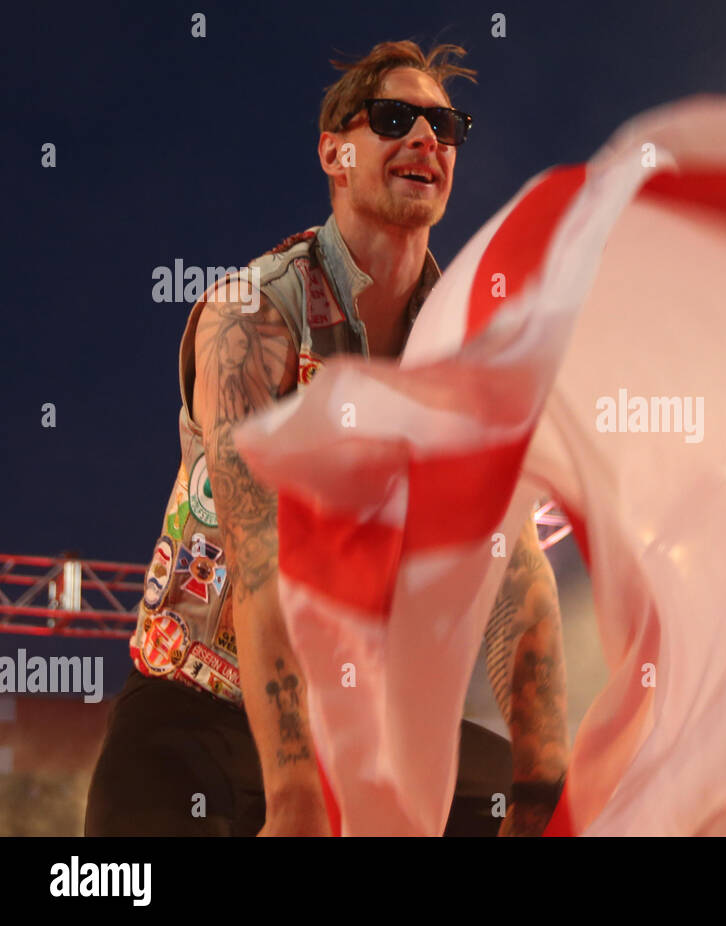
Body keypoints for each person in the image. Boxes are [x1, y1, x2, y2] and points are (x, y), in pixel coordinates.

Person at [86, 40, 569, 837]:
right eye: (394, 118)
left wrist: (544, 789)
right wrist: (297, 797)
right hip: (197, 711)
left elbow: (516, 582)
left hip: (356, 722)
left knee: (537, 808)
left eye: (445, 126)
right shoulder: (253, 315)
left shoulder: (465, 360)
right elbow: (258, 553)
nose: (426, 139)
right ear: (334, 152)